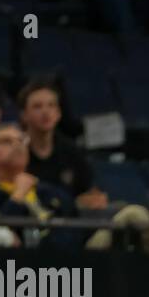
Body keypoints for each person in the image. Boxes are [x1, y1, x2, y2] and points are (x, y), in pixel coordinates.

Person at [18, 77, 108, 209]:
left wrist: (94, 199)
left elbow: (89, 191)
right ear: (24, 115)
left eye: (51, 105)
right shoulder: (16, 151)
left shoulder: (71, 152)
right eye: (37, 106)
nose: (45, 112)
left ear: (58, 113)